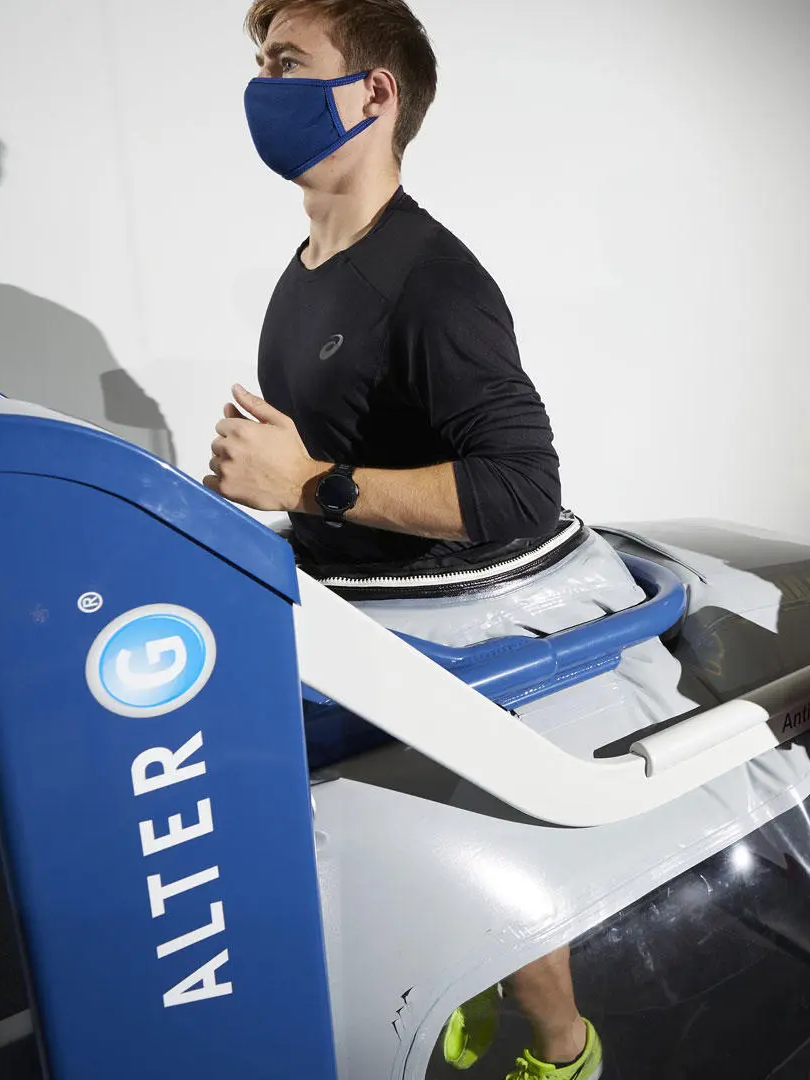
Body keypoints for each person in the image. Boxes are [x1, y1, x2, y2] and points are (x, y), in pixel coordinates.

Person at [203, 3, 599, 1078]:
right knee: (406, 879)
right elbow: (326, 470)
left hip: (453, 649)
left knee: (494, 886)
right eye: (260, 61)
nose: (261, 84)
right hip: (350, 640)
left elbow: (523, 487)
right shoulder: (303, 274)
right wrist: (270, 487)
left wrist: (313, 482)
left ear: (373, 93)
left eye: (288, 63)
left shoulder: (435, 281)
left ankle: (565, 1055)